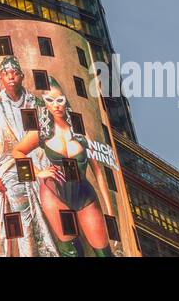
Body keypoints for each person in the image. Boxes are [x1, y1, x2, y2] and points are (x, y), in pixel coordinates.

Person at [13, 78, 112, 256]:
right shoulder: (42, 131)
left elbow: (97, 172)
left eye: (59, 100)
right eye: (50, 100)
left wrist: (109, 210)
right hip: (55, 194)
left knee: (104, 253)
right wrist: (38, 173)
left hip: (84, 195)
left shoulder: (79, 129)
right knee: (73, 253)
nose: (55, 105)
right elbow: (17, 152)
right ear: (45, 103)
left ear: (66, 100)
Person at [0, 55, 56, 257]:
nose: (10, 76)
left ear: (21, 76)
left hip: (37, 165)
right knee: (23, 219)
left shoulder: (36, 103)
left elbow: (46, 138)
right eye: (5, 73)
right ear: (0, 78)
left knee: (47, 216)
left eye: (14, 73)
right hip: (8, 168)